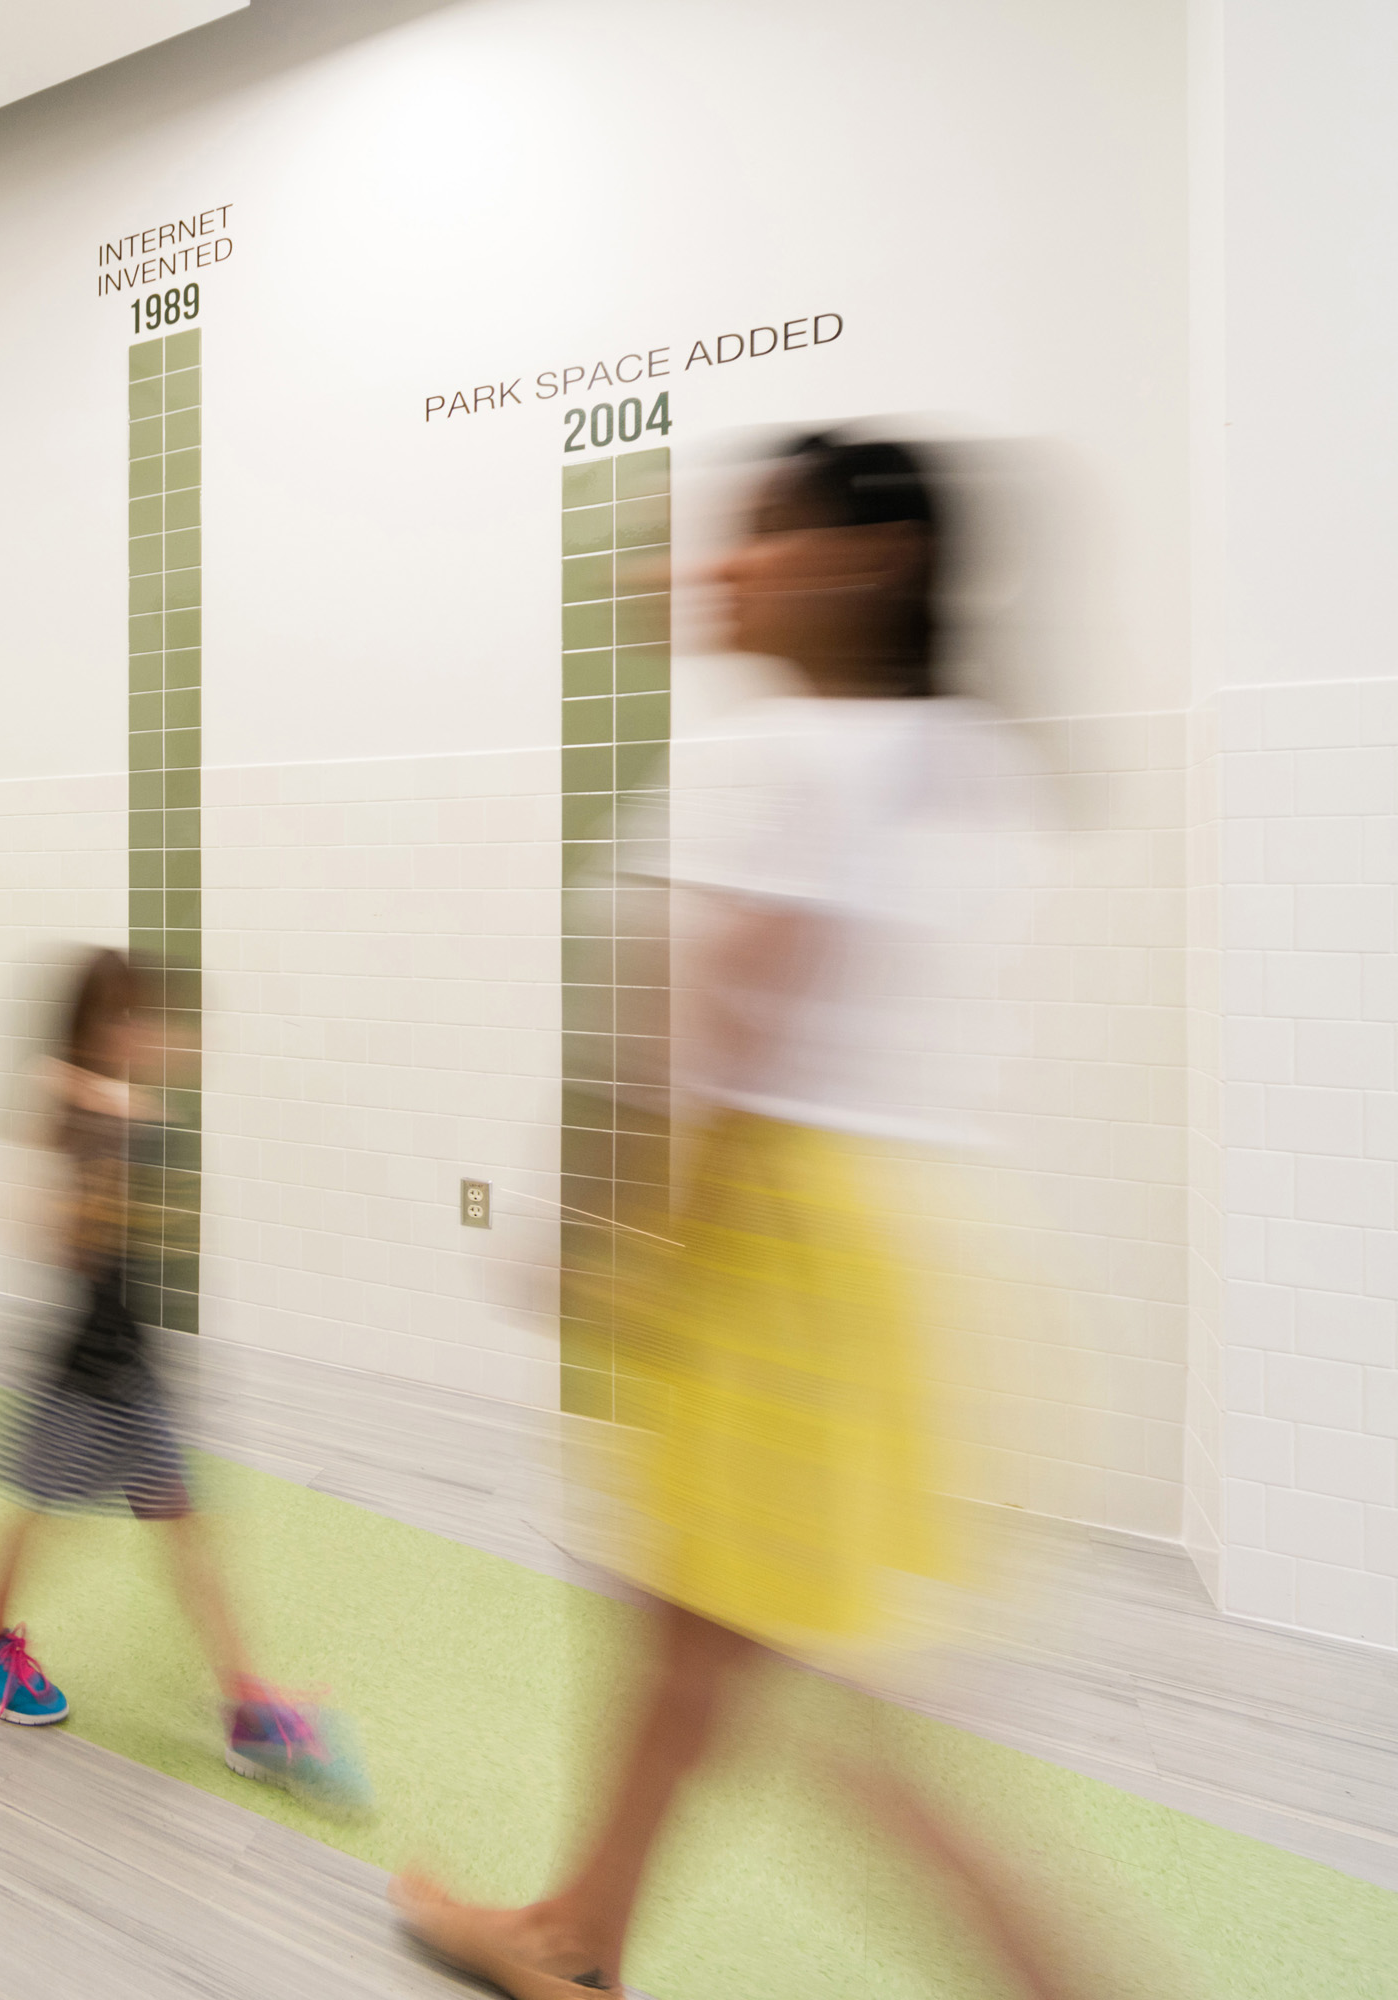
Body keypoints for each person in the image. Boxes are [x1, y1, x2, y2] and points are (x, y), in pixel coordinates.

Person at [392, 435, 1062, 2000]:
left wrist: (624, 1229)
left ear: (871, 559)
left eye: (765, 534)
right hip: (873, 1241)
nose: (715, 563)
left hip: (771, 1236)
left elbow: (726, 1014)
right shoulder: (958, 753)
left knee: (829, 1713)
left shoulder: (791, 759)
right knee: (704, 1641)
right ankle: (577, 1937)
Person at [0, 948, 366, 1804]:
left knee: (182, 1522)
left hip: (132, 1364)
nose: (141, 1033)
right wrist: (98, 1153)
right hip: (83, 1368)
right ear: (90, 1027)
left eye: (146, 1017)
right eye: (122, 1018)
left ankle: (248, 1707)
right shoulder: (73, 1105)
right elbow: (44, 1210)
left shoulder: (133, 1110)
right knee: (42, 1509)